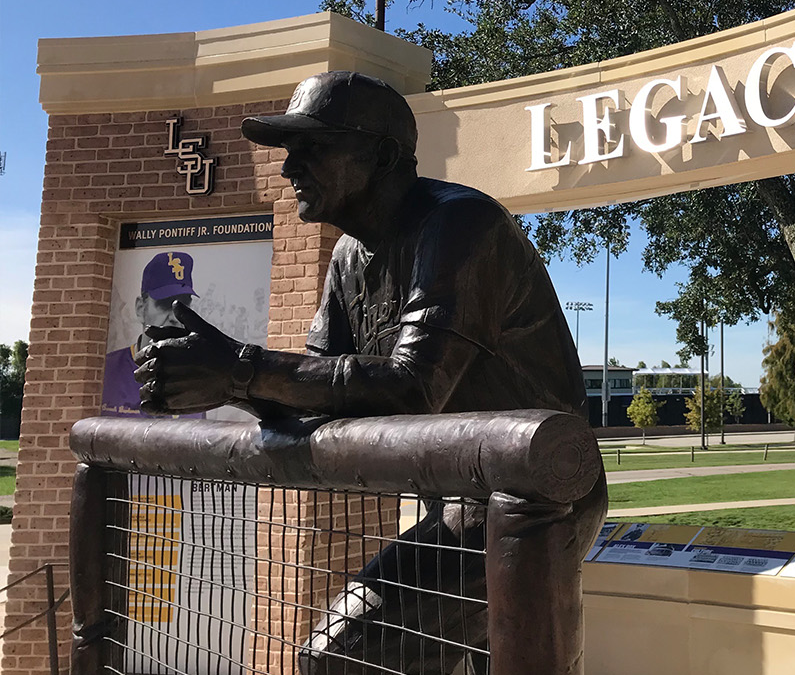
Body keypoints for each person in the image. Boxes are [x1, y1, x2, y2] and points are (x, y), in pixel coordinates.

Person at [133, 71, 605, 675]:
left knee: (340, 658)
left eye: (313, 148)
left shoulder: (461, 224)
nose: (289, 169)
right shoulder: (348, 257)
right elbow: (315, 394)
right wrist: (220, 379)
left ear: (381, 156)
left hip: (535, 501)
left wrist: (242, 370)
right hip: (459, 506)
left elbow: (414, 387)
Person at [102, 251, 198, 418]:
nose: (174, 317)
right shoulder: (107, 370)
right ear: (141, 308)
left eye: (183, 305)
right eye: (164, 304)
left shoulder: (201, 381)